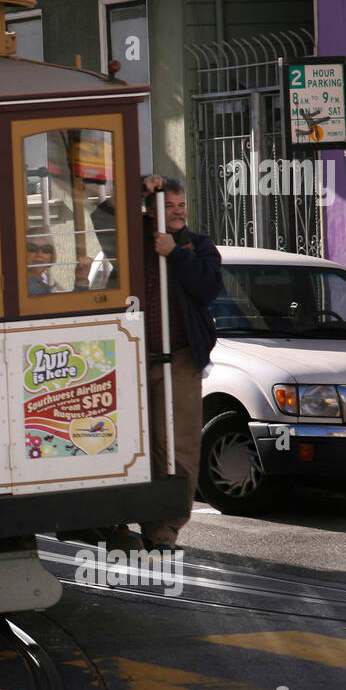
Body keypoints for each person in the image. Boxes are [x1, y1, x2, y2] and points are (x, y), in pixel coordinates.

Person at [138, 175, 223, 550]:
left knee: (180, 447)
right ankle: (126, 519)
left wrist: (174, 253)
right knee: (139, 445)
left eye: (181, 206)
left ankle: (167, 528)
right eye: (168, 205)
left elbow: (207, 288)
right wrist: (138, 188)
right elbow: (100, 215)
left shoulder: (198, 246)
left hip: (182, 360)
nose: (177, 212)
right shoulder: (133, 240)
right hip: (136, 360)